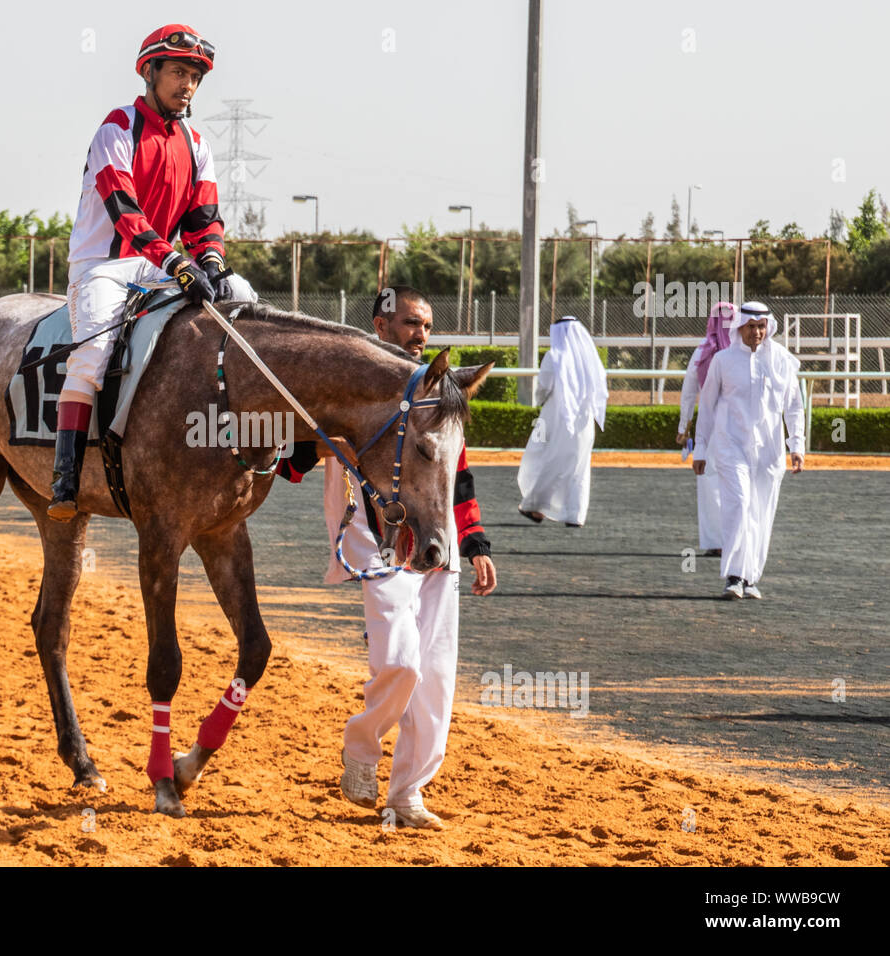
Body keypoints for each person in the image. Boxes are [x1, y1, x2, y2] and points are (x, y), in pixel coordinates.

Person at [275, 286, 497, 829]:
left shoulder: (441, 392)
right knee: (401, 662)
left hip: (436, 548)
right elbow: (291, 461)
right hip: (375, 545)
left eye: (425, 326)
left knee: (437, 679)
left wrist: (475, 543)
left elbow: (455, 476)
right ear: (380, 326)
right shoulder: (350, 386)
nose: (420, 334)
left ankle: (406, 795)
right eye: (408, 324)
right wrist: (310, 446)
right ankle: (362, 744)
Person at [53, 22, 258, 521]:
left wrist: (208, 258)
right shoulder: (116, 128)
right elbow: (124, 210)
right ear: (149, 71)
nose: (187, 84)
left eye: (194, 76)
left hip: (165, 268)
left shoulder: (197, 142)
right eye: (177, 72)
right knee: (92, 355)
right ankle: (65, 477)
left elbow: (205, 218)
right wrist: (175, 261)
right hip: (105, 267)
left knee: (246, 299)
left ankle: (269, 446)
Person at [693, 301, 804, 599]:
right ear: (739, 327)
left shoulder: (782, 360)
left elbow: (793, 406)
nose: (757, 332)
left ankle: (751, 576)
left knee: (761, 512)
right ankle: (733, 576)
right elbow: (706, 407)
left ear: (768, 327)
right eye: (751, 326)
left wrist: (797, 444)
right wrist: (700, 448)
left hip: (769, 453)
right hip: (731, 447)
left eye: (761, 326)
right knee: (739, 506)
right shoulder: (723, 361)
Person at [517, 316, 608, 527]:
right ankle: (575, 515)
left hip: (557, 419)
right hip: (585, 422)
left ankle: (535, 507)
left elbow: (543, 387)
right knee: (580, 466)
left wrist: (538, 401)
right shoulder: (590, 357)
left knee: (550, 461)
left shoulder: (554, 356)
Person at [678, 301, 735, 556]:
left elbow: (689, 393)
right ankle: (736, 539)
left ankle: (716, 542)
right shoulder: (743, 353)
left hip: (710, 425)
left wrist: (684, 427)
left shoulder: (701, 352)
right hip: (737, 425)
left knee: (710, 480)